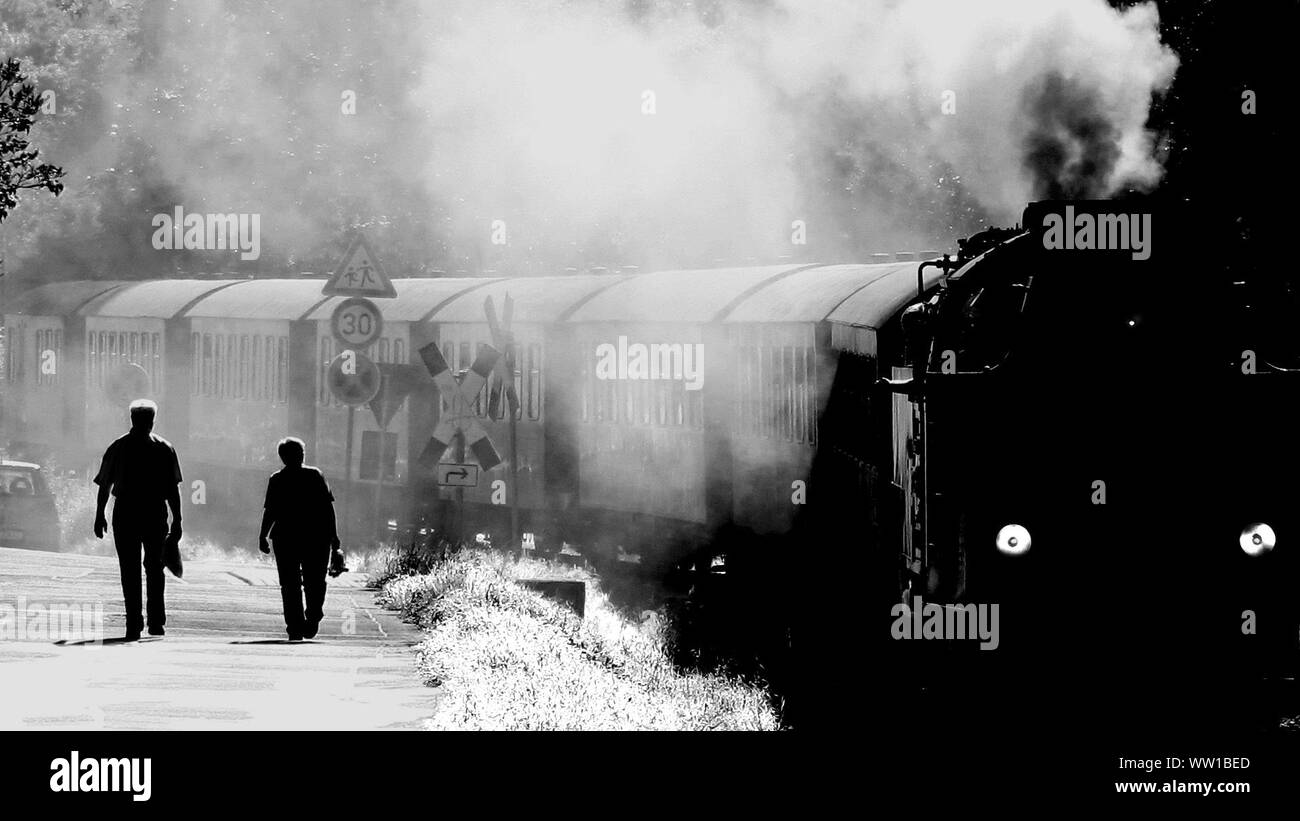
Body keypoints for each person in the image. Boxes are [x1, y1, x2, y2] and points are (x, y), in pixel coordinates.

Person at [93, 399, 183, 640]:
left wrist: (99, 513)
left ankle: (133, 622)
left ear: (131, 420)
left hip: (126, 512)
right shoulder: (164, 448)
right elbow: (173, 489)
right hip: (154, 513)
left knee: (129, 569)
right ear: (152, 421)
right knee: (155, 568)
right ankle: (156, 622)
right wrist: (178, 520)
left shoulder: (118, 447)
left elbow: (105, 484)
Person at [258, 437, 341, 641]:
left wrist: (263, 535)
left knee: (292, 584)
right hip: (315, 538)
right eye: (297, 454)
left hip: (288, 538)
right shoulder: (311, 476)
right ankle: (305, 619)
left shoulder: (282, 479)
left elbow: (271, 511)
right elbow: (327, 508)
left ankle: (302, 621)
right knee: (309, 582)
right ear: (285, 457)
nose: (299, 457)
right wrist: (333, 536)